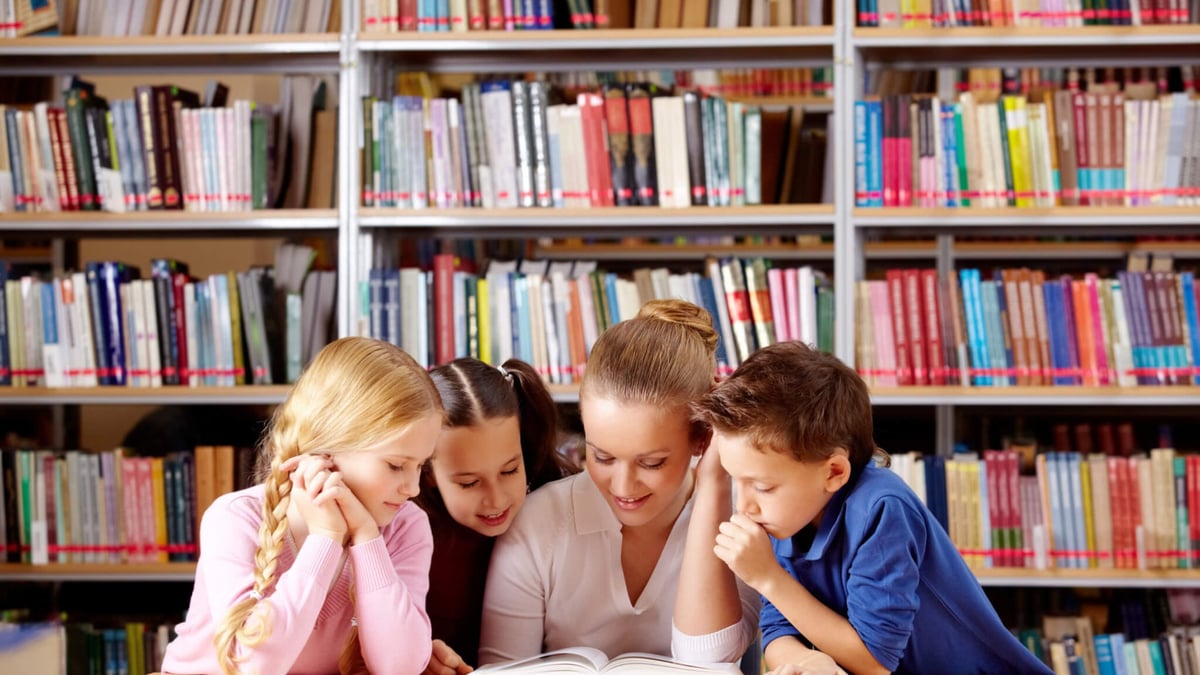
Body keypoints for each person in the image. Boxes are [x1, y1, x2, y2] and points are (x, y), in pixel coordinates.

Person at [694, 341, 1054, 675]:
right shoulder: (784, 514)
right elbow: (778, 626)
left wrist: (767, 577)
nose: (745, 506)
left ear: (834, 472)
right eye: (734, 480)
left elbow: (874, 662)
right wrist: (804, 659)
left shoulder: (881, 509)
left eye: (762, 486)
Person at [477, 299, 762, 668]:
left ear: (703, 436)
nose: (624, 487)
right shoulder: (536, 524)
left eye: (651, 462)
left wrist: (714, 484)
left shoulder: (745, 517)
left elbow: (707, 662)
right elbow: (500, 671)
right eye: (602, 457)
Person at [160, 337, 445, 675]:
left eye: (421, 466)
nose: (413, 488)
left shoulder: (406, 525)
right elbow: (253, 666)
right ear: (327, 449)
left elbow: (400, 667)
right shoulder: (234, 519)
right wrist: (326, 538)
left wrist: (367, 539)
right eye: (396, 465)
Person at [418, 357, 577, 675]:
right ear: (427, 470)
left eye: (509, 470)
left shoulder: (556, 501)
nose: (496, 499)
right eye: (469, 482)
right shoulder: (407, 529)